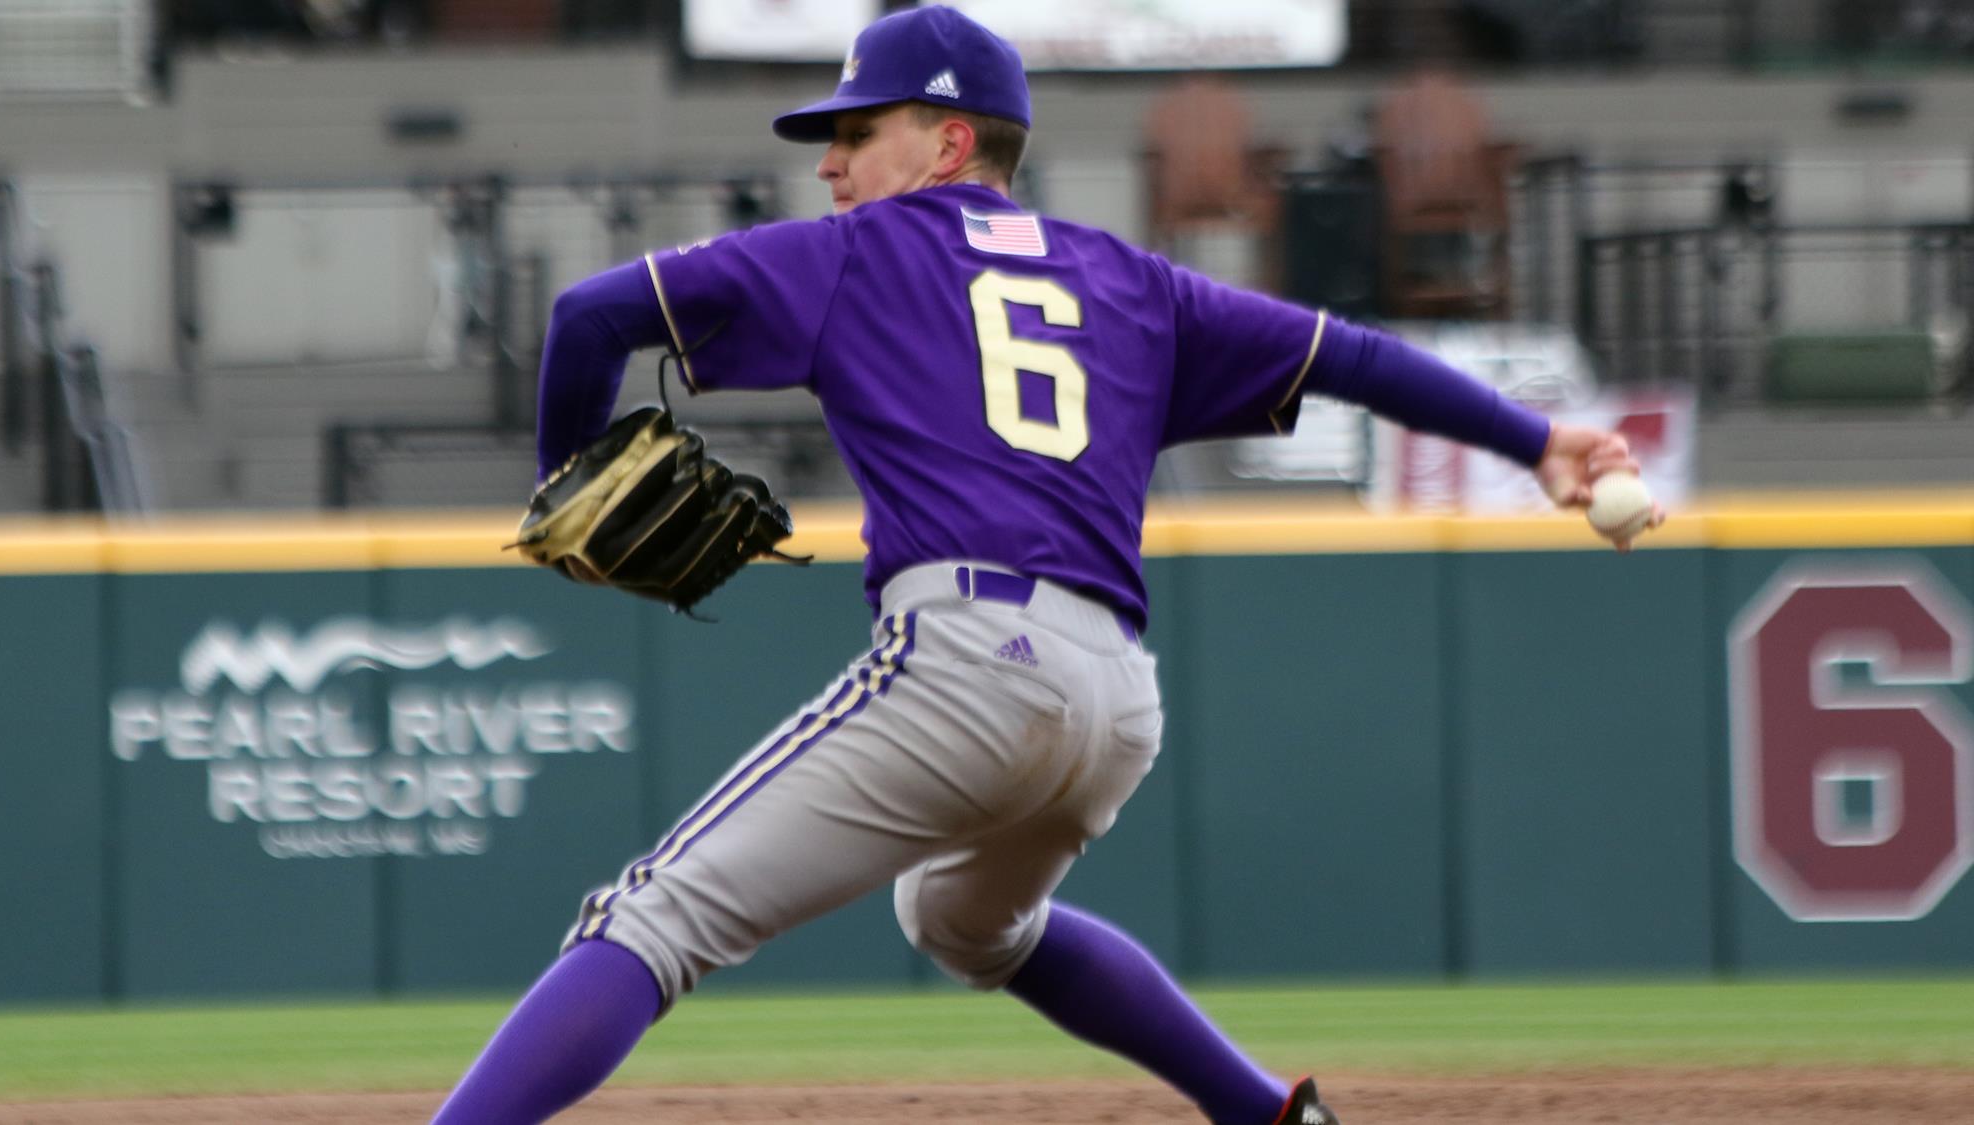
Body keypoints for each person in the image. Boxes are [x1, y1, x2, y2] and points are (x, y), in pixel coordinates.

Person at [433, 8, 1661, 1124]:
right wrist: (1536, 440)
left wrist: (561, 480)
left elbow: (589, 316)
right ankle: (1265, 1115)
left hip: (969, 660)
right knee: (965, 922)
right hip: (1113, 703)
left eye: (856, 133)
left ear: (949, 141)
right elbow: (1350, 356)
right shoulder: (1136, 281)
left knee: (653, 918)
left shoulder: (858, 252)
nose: (829, 165)